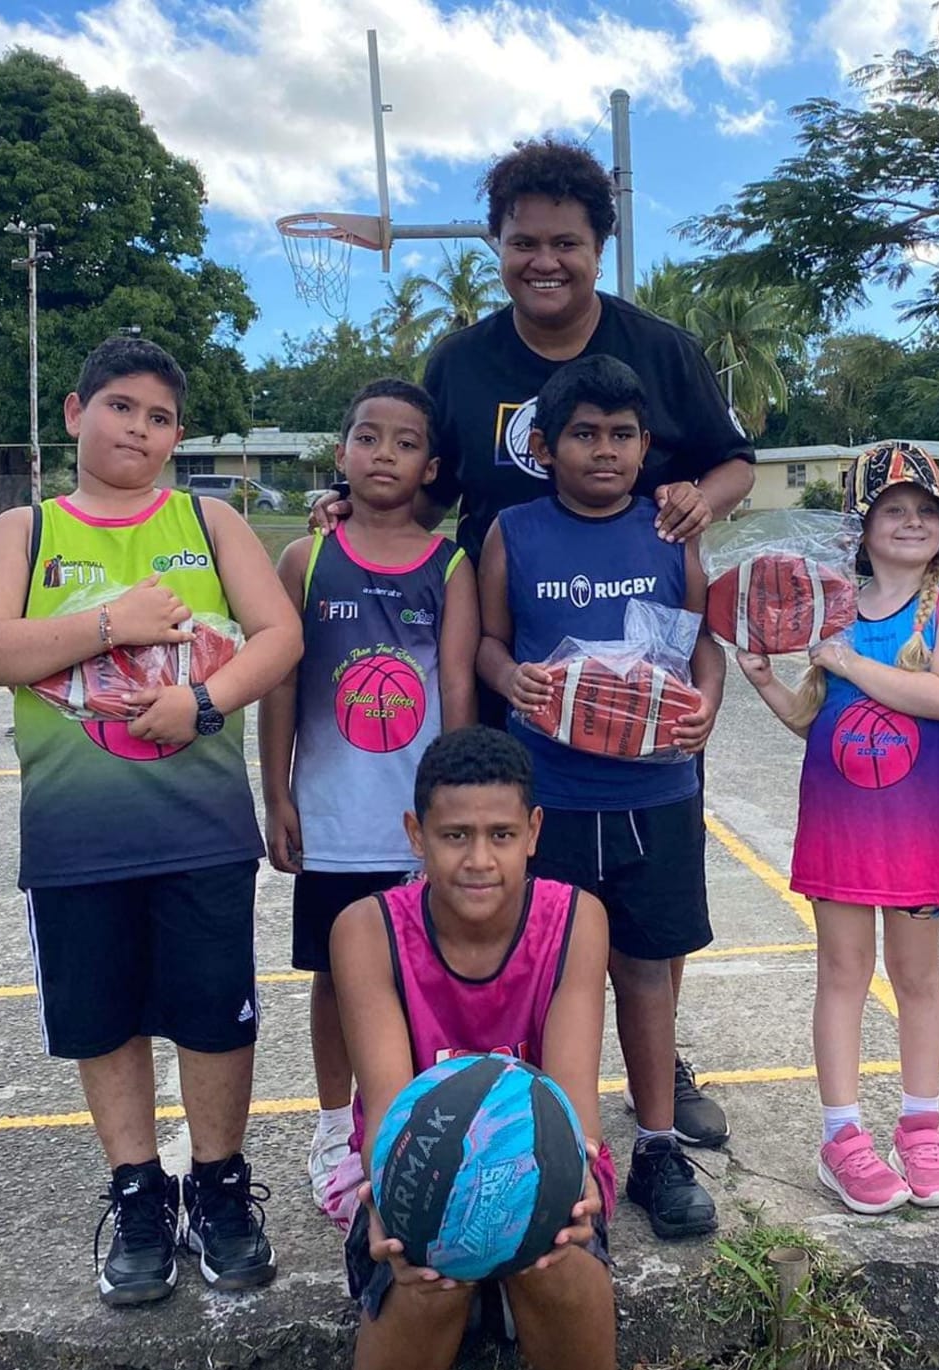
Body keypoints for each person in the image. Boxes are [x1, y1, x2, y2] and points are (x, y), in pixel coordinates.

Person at [313, 138, 757, 1146]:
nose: (542, 260)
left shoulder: (659, 350)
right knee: (514, 878)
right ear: (497, 244)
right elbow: (424, 472)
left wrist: (694, 501)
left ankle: (657, 1064)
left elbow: (733, 460)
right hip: (509, 639)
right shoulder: (463, 361)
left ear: (597, 247)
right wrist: (358, 497)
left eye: (565, 241)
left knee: (644, 919)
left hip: (635, 650)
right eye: (523, 242)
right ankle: (502, 1066)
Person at [0, 337, 302, 1305]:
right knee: (103, 1018)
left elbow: (280, 636)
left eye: (156, 417)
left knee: (214, 1012)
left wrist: (206, 703)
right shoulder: (28, 529)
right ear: (74, 412)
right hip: (76, 834)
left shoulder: (208, 518)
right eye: (119, 407)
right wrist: (112, 625)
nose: (136, 429)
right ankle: (139, 1194)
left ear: (176, 435)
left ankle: (220, 1187)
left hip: (200, 824)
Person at [479, 354, 724, 1239]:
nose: (605, 450)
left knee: (646, 970)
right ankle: (545, 1146)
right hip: (549, 792)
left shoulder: (669, 532)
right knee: (540, 976)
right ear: (544, 446)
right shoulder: (513, 530)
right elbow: (490, 644)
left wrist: (705, 708)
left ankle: (656, 1144)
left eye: (622, 434)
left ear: (646, 445)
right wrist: (515, 680)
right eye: (584, 433)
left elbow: (703, 648)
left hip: (655, 788)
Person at [332, 727, 615, 1370]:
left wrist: (576, 1195)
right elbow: (390, 1119)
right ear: (416, 835)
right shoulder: (366, 929)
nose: (479, 858)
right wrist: (394, 1212)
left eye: (500, 833)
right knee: (428, 1275)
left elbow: (576, 1114)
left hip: (542, 1165)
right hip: (413, 1172)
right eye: (455, 835)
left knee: (560, 1262)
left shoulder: (576, 919)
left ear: (534, 832)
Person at [735, 442, 939, 1213]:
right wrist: (772, 684)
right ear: (862, 526)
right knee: (842, 975)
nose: (911, 522)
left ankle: (920, 1127)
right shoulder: (832, 605)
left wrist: (845, 663)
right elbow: (819, 721)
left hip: (918, 830)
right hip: (840, 826)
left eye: (925, 511)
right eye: (893, 510)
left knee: (916, 979)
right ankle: (841, 1137)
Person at [259, 377, 479, 1211]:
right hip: (334, 817)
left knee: (431, 973)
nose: (384, 453)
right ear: (342, 450)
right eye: (367, 436)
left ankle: (419, 1123)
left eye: (405, 441)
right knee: (334, 976)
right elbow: (280, 683)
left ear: (430, 465)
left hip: (418, 822)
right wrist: (276, 791)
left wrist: (452, 815)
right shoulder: (304, 557)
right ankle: (331, 1129)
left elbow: (457, 687)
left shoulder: (449, 563)